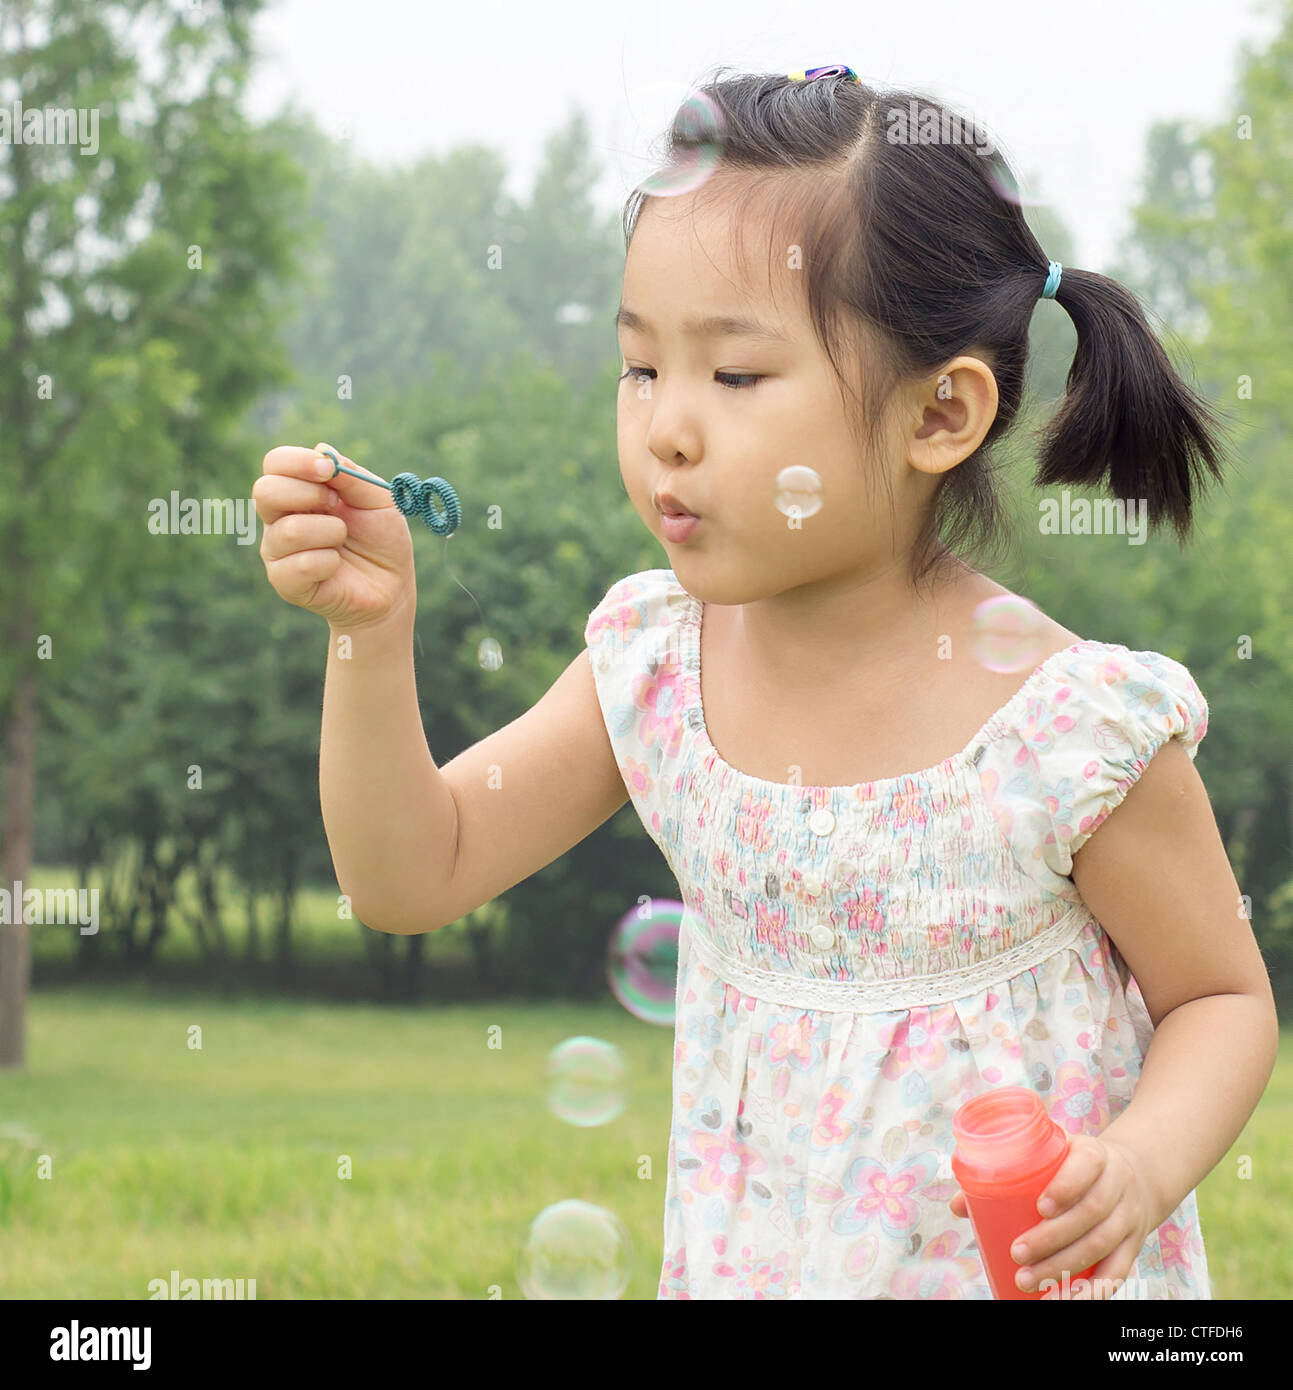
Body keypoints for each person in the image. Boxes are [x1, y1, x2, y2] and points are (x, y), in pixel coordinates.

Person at [253, 67, 1279, 1301]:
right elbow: (412, 869)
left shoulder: (1066, 731)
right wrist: (370, 630)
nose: (667, 429)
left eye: (734, 376)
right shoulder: (655, 668)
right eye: (640, 370)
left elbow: (1221, 996)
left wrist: (1141, 1162)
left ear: (939, 413)